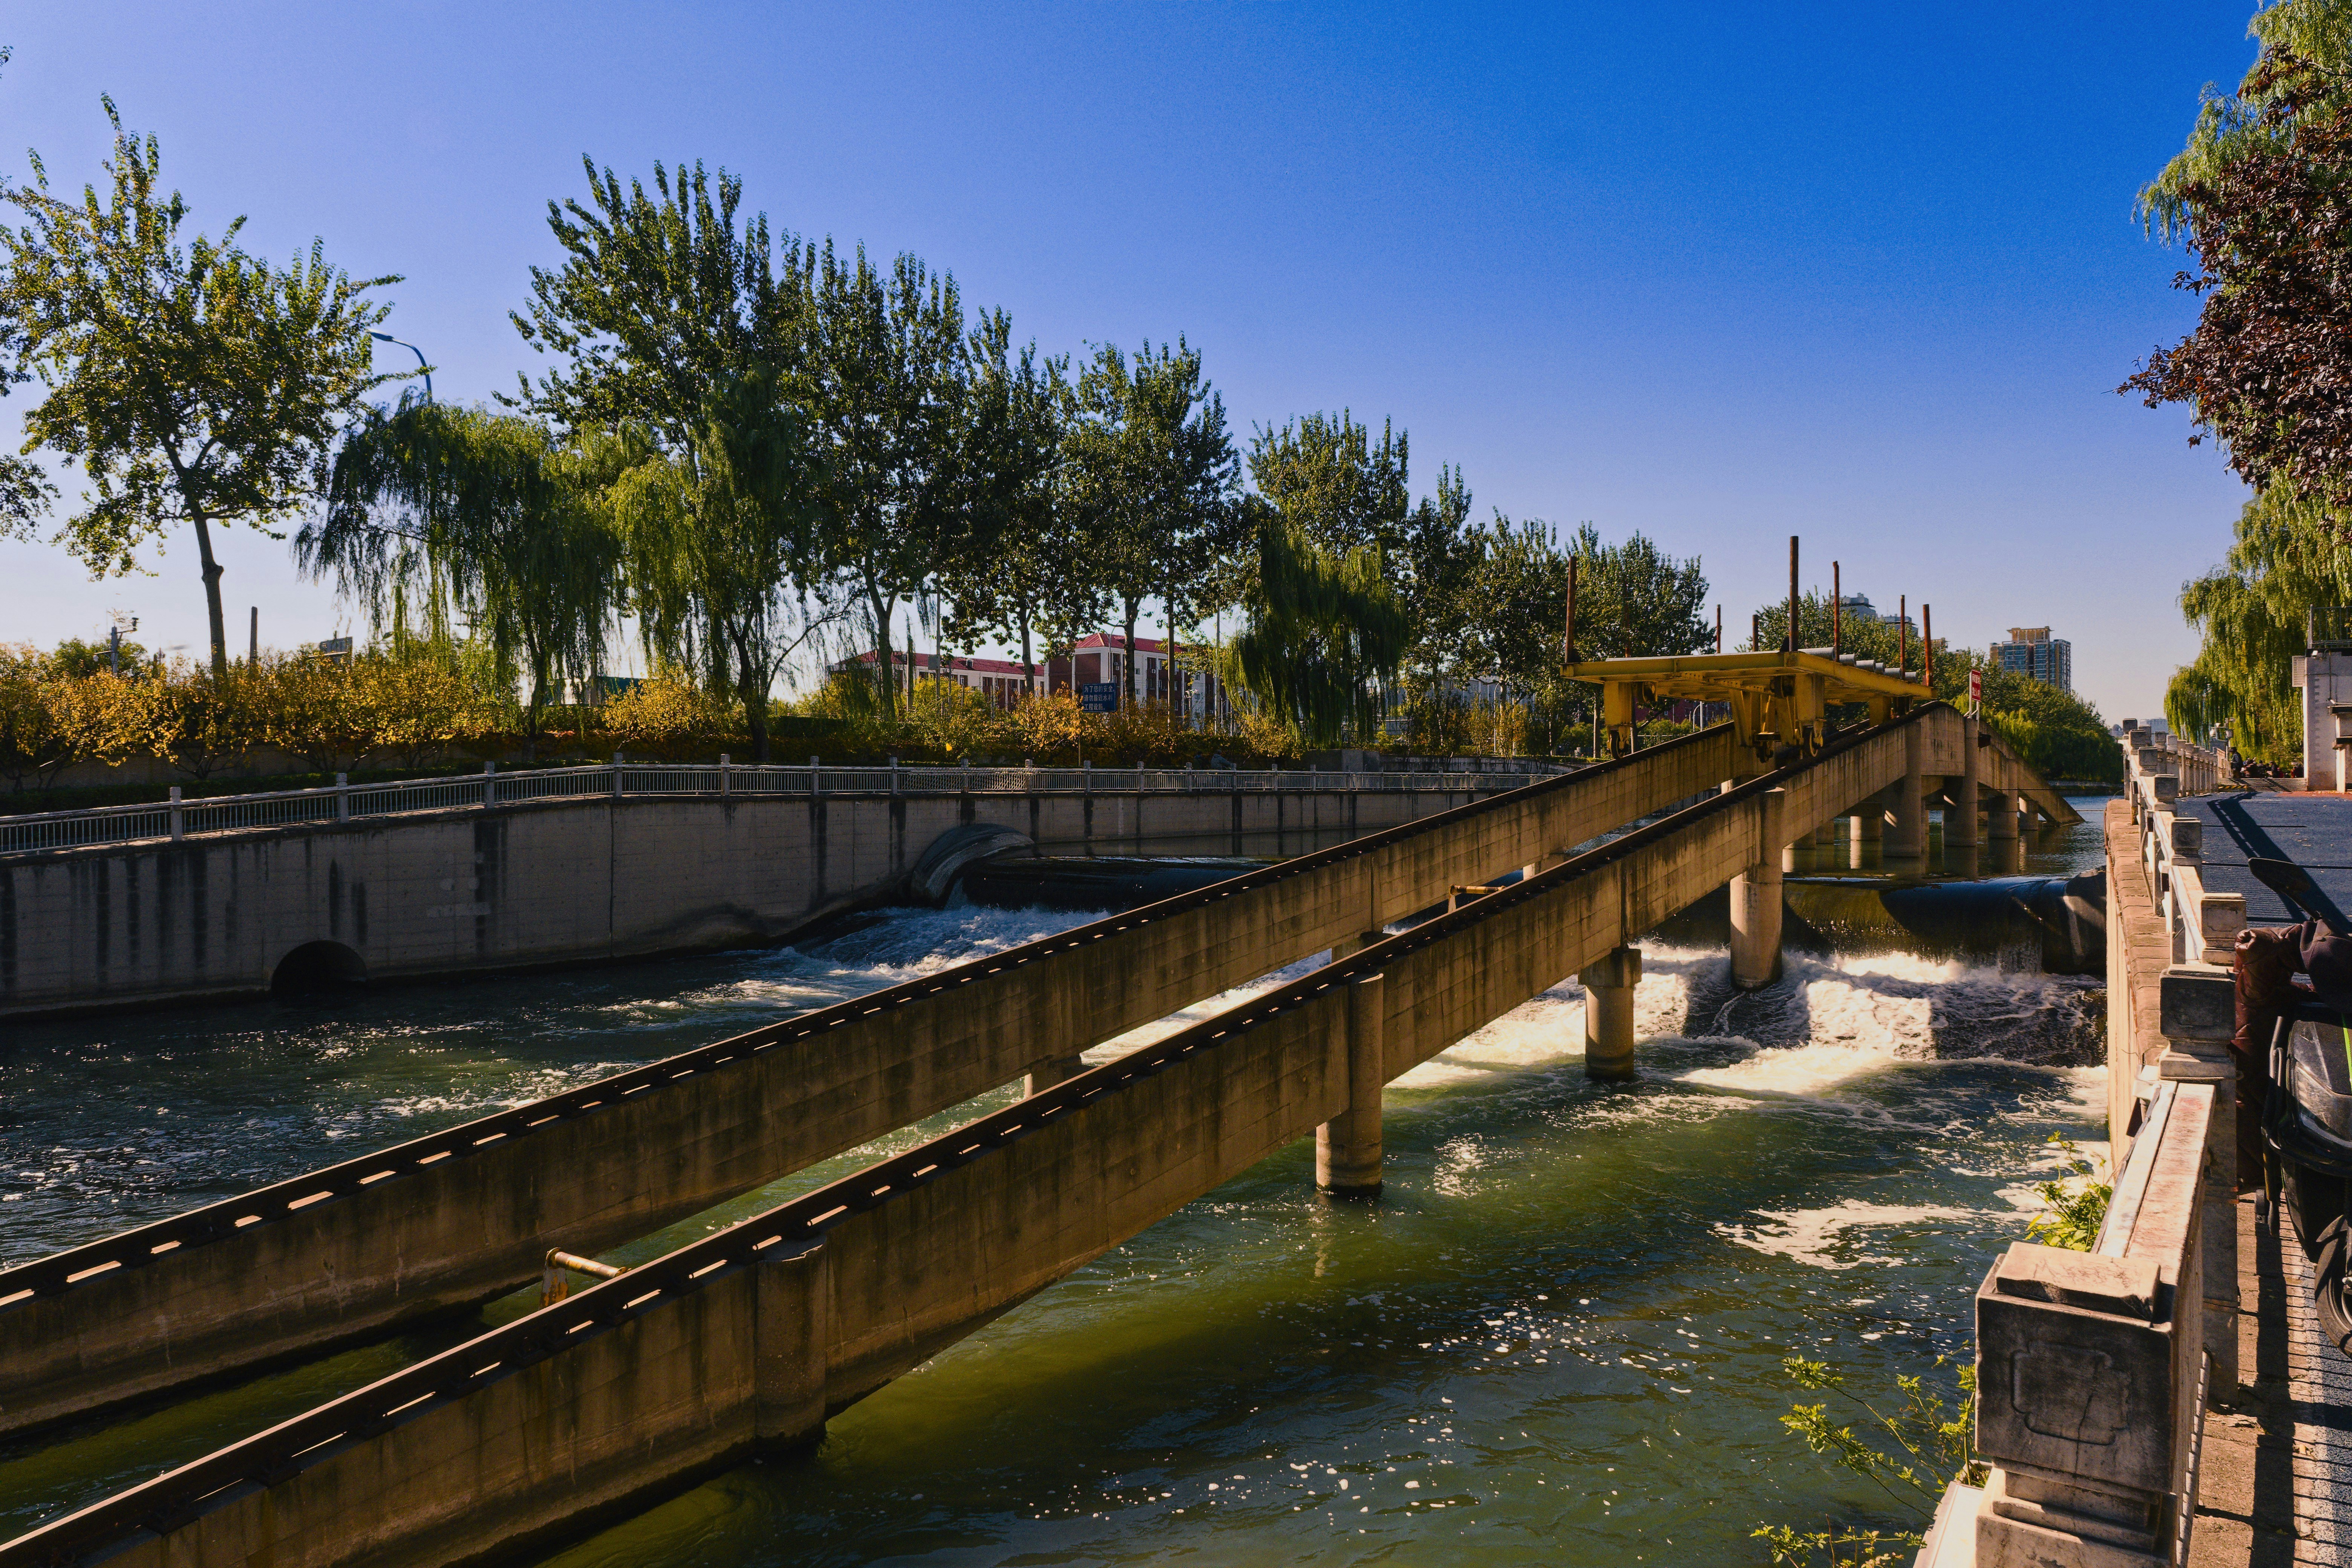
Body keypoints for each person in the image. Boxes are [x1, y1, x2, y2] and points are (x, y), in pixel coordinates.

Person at [2233, 920, 2352, 1187]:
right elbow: (2261, 948)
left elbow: (2262, 948)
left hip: (2283, 1160)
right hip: (2296, 1155)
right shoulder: (2275, 1000)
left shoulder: (2270, 998)